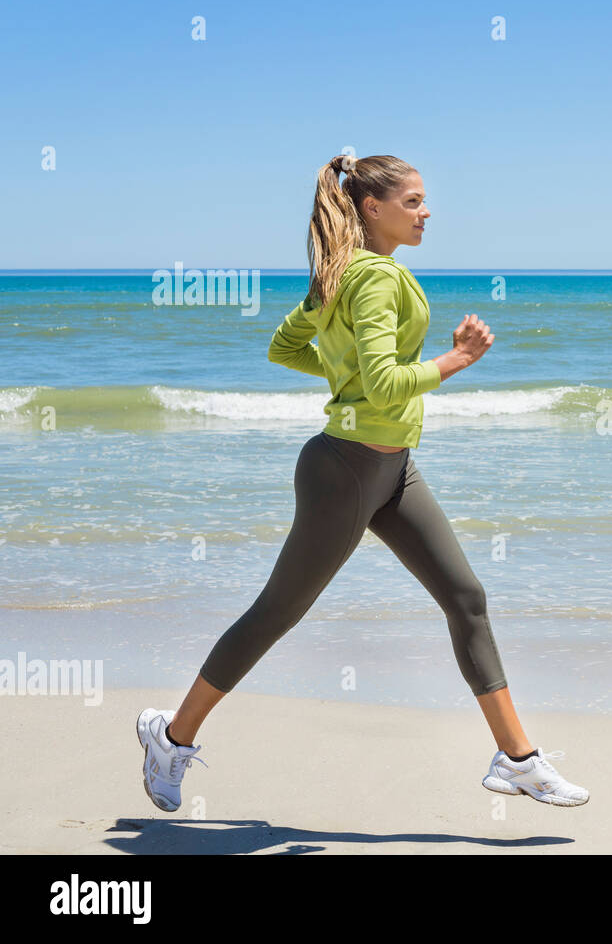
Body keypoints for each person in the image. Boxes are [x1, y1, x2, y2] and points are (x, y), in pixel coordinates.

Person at [136, 154, 588, 813]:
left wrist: (347, 379)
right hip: (345, 472)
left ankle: (517, 760)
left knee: (466, 597)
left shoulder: (341, 276)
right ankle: (170, 738)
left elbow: (287, 348)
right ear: (372, 208)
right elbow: (379, 381)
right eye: (413, 201)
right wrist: (453, 360)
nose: (426, 211)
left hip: (394, 468)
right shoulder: (374, 279)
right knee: (276, 614)